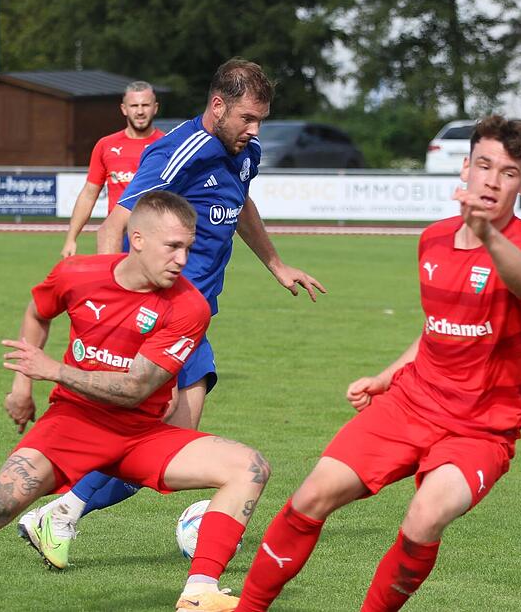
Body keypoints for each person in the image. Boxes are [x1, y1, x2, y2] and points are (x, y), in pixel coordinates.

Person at [0, 191, 268, 612]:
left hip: (141, 433)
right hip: (72, 425)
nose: (183, 259)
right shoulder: (76, 274)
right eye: (172, 246)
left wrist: (54, 370)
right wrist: (22, 386)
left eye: (188, 248)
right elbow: (38, 312)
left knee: (250, 466)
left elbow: (135, 388)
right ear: (137, 239)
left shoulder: (189, 305)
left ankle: (198, 594)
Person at [232, 116, 521, 612]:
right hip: (411, 403)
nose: (492, 181)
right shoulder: (432, 240)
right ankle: (248, 608)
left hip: (481, 429)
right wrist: (386, 376)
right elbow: (437, 329)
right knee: (311, 495)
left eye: (509, 173)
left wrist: (488, 235)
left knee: (425, 517)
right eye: (485, 165)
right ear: (465, 167)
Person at [18, 58, 325, 570]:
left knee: (160, 441)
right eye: (248, 118)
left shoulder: (242, 151)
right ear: (218, 106)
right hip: (162, 317)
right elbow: (114, 228)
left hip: (191, 318)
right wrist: (117, 308)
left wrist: (275, 263)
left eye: (261, 121)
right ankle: (66, 510)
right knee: (167, 445)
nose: (254, 131)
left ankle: (63, 510)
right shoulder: (178, 151)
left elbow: (240, 204)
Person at [60, 81, 165, 258]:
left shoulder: (167, 145)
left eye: (145, 105)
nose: (140, 111)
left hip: (155, 237)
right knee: (111, 285)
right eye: (134, 106)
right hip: (116, 236)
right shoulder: (106, 145)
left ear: (155, 108)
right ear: (124, 109)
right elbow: (89, 193)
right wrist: (71, 238)